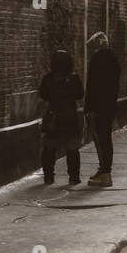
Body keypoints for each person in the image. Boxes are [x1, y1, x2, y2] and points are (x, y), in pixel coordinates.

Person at [39, 50, 84, 187]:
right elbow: (80, 95)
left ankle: (48, 177)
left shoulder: (48, 78)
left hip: (54, 116)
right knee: (72, 148)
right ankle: (74, 177)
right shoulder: (73, 78)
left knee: (49, 148)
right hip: (70, 116)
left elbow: (44, 95)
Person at [84, 31, 121, 188]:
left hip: (98, 108)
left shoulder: (98, 60)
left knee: (101, 139)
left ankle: (105, 173)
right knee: (105, 138)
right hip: (109, 106)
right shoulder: (113, 59)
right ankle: (104, 171)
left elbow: (93, 87)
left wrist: (89, 108)